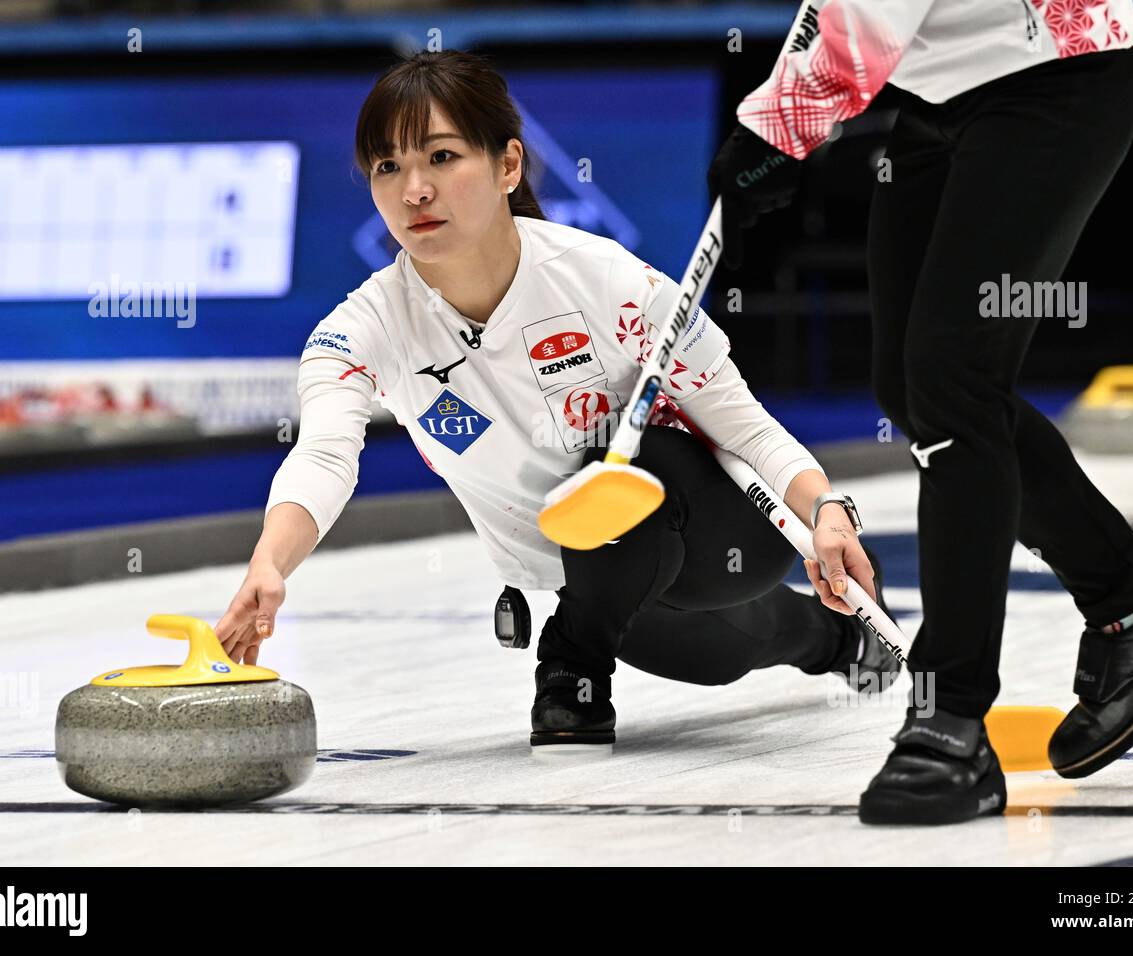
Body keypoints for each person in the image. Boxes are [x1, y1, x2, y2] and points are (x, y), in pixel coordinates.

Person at [214, 50, 900, 752]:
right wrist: (269, 564)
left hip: (714, 527)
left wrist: (826, 512)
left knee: (619, 464)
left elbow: (746, 427)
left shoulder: (608, 282)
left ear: (509, 165)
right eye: (387, 167)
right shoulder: (361, 331)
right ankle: (839, 640)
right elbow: (325, 454)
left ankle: (571, 660)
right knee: (730, 648)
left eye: (442, 157)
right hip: (586, 574)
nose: (414, 189)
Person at [708, 0, 1133, 824]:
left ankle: (949, 718)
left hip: (1051, 78)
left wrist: (779, 127)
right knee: (914, 389)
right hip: (937, 97)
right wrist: (778, 124)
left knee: (952, 378)